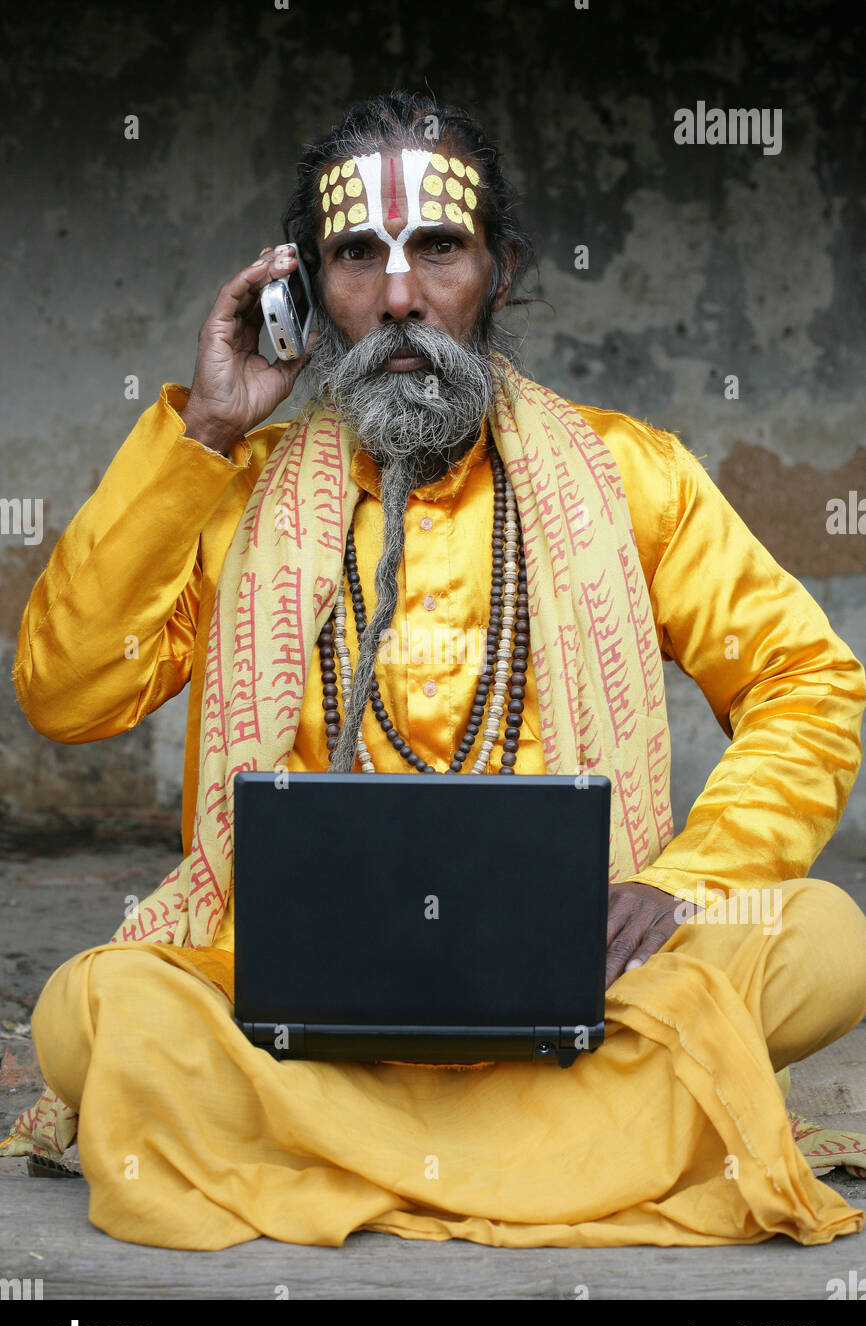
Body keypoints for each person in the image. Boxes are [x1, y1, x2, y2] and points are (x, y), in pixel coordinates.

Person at [4, 91, 866, 1251]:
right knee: (92, 1007)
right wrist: (203, 437)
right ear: (300, 290)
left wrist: (686, 882)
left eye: (438, 250)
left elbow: (805, 682)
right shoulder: (233, 490)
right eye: (358, 255)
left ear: (500, 270)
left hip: (573, 991)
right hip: (293, 998)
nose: (400, 297)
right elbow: (66, 691)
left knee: (821, 937)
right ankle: (590, 1149)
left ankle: (301, 1151)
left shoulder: (626, 475)